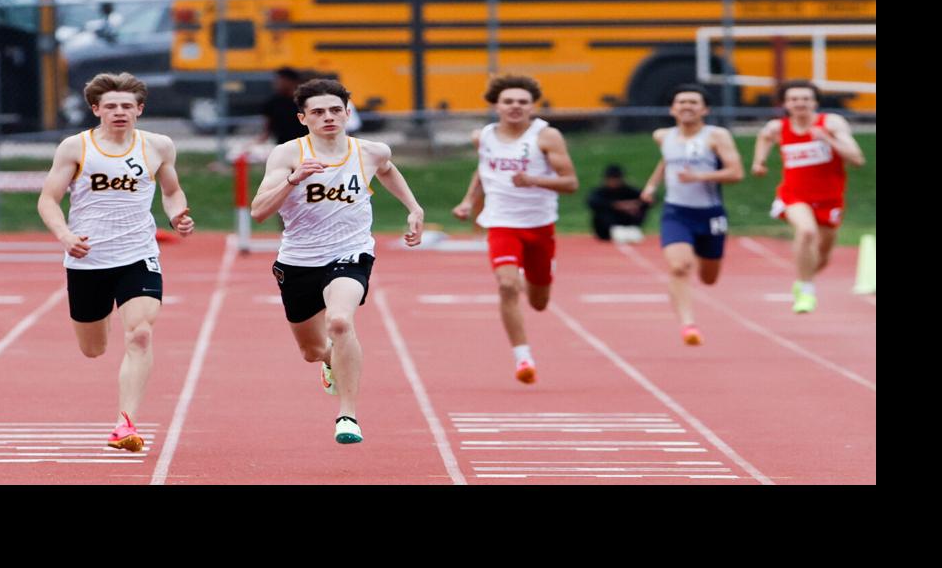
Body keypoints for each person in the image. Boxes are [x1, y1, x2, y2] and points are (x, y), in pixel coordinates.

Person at [250, 79, 425, 445]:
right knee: (311, 351)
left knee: (341, 321)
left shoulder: (370, 151)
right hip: (298, 260)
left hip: (350, 252)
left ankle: (348, 416)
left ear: (348, 113)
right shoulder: (287, 155)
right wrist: (293, 181)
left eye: (334, 110)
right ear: (303, 118)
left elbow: (388, 169)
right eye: (317, 112)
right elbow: (259, 212)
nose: (327, 117)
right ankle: (331, 360)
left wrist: (413, 207)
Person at [37, 72, 196, 452]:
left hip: (137, 255)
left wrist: (177, 215)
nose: (119, 112)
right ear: (96, 109)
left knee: (140, 333)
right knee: (93, 349)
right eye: (111, 106)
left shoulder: (158, 146)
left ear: (140, 109)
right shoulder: (75, 148)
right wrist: (65, 236)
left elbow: (172, 192)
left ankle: (125, 423)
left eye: (127, 105)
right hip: (88, 258)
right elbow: (47, 199)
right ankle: (102, 321)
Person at [452, 74, 578, 384]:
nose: (515, 107)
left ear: (532, 107)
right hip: (501, 223)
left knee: (539, 302)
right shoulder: (483, 136)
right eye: (509, 101)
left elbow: (571, 183)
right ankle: (523, 357)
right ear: (497, 105)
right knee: (507, 286)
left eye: (522, 102)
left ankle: (536, 273)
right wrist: (468, 202)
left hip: (538, 225)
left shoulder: (547, 137)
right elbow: (482, 171)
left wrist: (534, 180)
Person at [639, 84, 744, 344]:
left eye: (693, 102)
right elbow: (667, 160)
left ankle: (701, 253)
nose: (687, 106)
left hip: (710, 214)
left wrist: (700, 176)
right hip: (677, 212)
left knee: (709, 278)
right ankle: (688, 325)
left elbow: (736, 173)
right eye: (682, 102)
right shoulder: (663, 136)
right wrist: (652, 185)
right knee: (679, 266)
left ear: (705, 109)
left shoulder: (716, 136)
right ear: (672, 109)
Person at [751, 80, 864, 314]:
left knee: (822, 256)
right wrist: (759, 162)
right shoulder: (777, 127)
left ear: (815, 102)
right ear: (785, 103)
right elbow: (764, 138)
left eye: (805, 98)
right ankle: (807, 290)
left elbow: (857, 159)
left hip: (829, 199)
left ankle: (804, 280)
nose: (799, 103)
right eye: (793, 99)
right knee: (806, 232)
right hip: (794, 196)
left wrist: (828, 139)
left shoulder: (831, 123)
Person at [587, 164, 648, 242]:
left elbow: (648, 199)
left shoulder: (628, 190)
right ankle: (615, 230)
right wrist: (617, 205)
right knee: (602, 210)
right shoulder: (600, 192)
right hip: (605, 229)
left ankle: (632, 229)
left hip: (628, 223)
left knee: (641, 208)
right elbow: (592, 202)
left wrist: (634, 205)